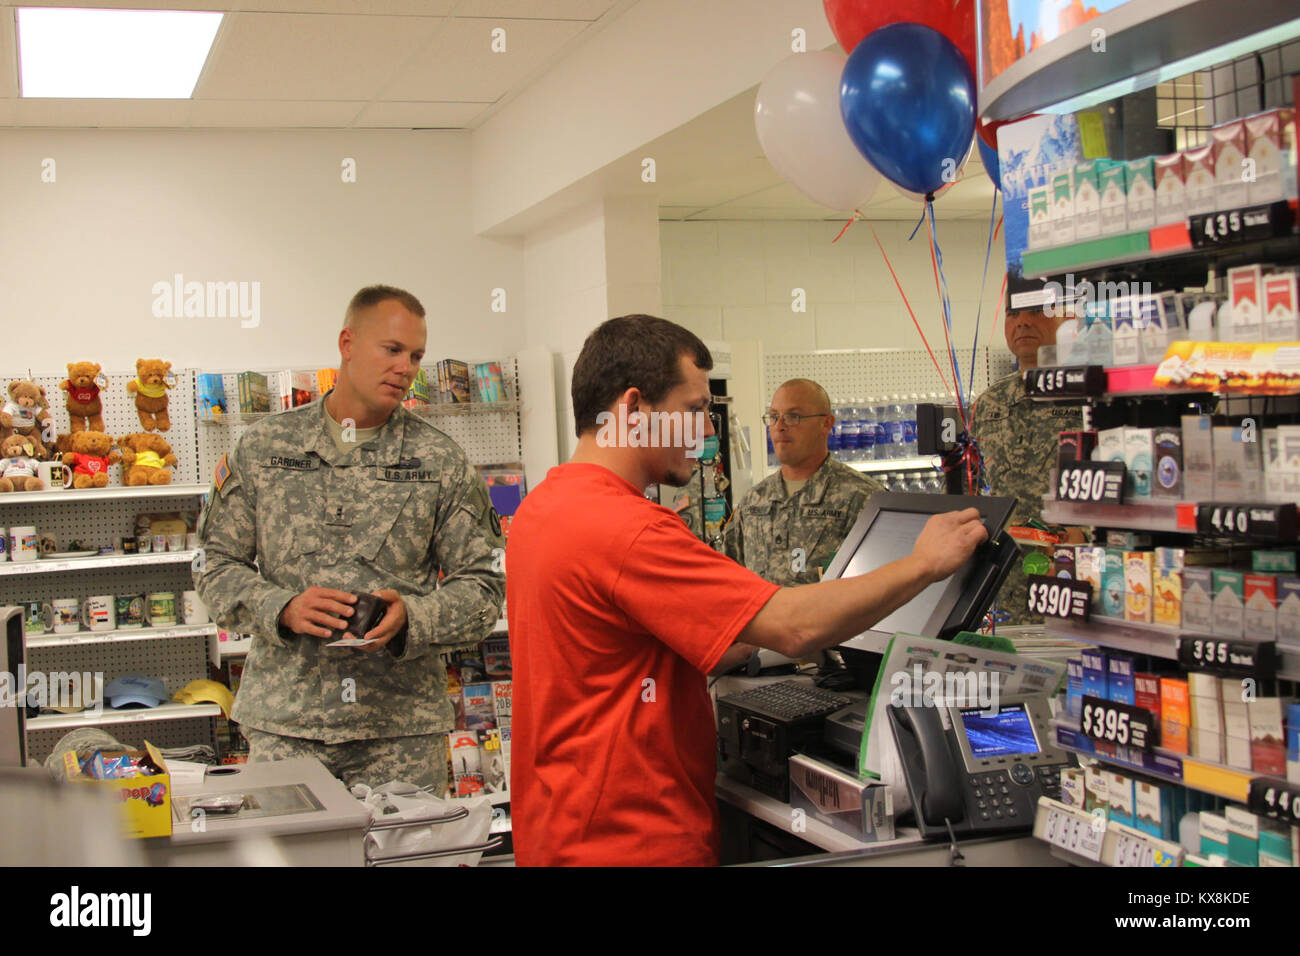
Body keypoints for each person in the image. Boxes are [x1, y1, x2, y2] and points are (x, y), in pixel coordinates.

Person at [505, 314, 987, 866]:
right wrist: (923, 564)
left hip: (558, 829)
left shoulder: (545, 507)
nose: (708, 432)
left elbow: (646, 647)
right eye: (693, 411)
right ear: (633, 410)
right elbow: (795, 626)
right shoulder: (626, 527)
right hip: (630, 840)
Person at [194, 285, 505, 791]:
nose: (406, 367)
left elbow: (485, 584)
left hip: (398, 732)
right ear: (347, 342)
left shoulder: (440, 460)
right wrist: (281, 607)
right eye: (392, 349)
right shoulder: (265, 447)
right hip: (286, 727)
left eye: (416, 356)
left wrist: (415, 616)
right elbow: (212, 564)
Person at [969, 285, 1083, 625]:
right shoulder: (989, 403)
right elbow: (975, 483)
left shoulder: (1092, 394)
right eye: (1013, 314)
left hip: (1071, 572)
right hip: (1004, 581)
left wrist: (1087, 533)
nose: (1023, 323)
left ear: (1069, 316)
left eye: (1037, 311)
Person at [724, 378, 885, 587]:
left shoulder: (863, 499)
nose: (779, 426)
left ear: (826, 423)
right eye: (774, 417)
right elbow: (729, 578)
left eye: (793, 417)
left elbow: (883, 587)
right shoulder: (754, 501)